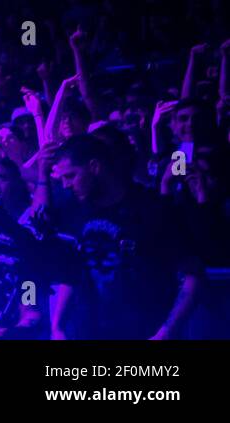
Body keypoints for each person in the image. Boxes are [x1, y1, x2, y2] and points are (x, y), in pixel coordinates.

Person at [48, 135, 202, 339]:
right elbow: (71, 274)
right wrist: (57, 326)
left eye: (71, 176)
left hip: (144, 332)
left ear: (94, 167)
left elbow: (192, 276)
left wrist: (166, 332)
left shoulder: (152, 208)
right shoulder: (74, 211)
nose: (66, 185)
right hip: (89, 332)